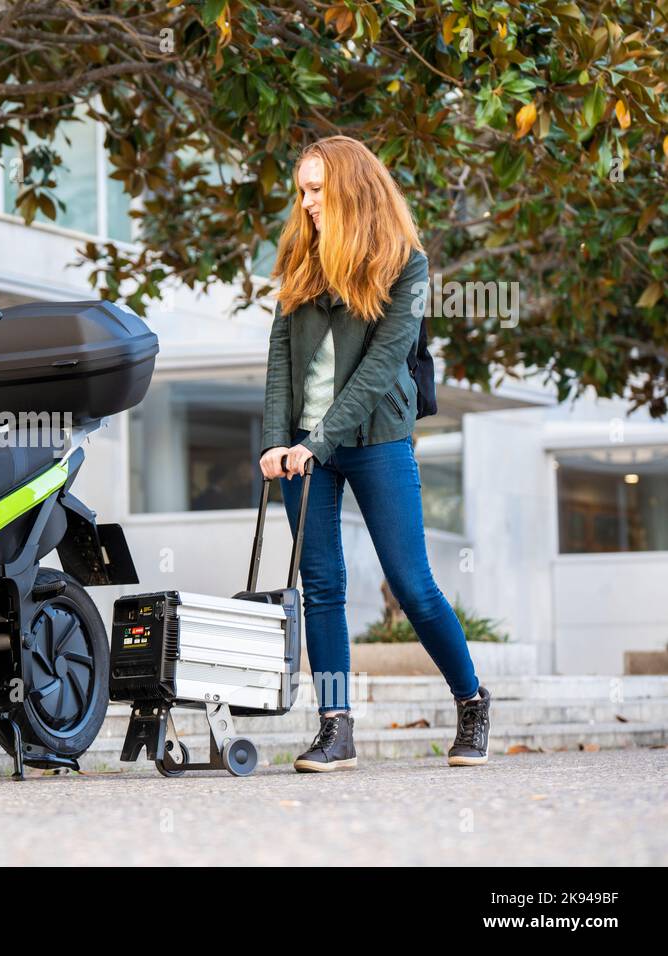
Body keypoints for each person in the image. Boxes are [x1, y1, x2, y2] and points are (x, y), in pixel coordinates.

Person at [258, 135, 490, 772]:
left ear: (350, 190)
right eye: (302, 190)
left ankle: (471, 701)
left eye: (316, 190)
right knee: (323, 587)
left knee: (413, 586)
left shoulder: (404, 265)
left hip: (374, 438)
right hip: (302, 449)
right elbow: (281, 362)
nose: (305, 203)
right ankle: (336, 728)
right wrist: (276, 442)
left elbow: (382, 368)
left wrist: (318, 442)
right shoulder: (300, 263)